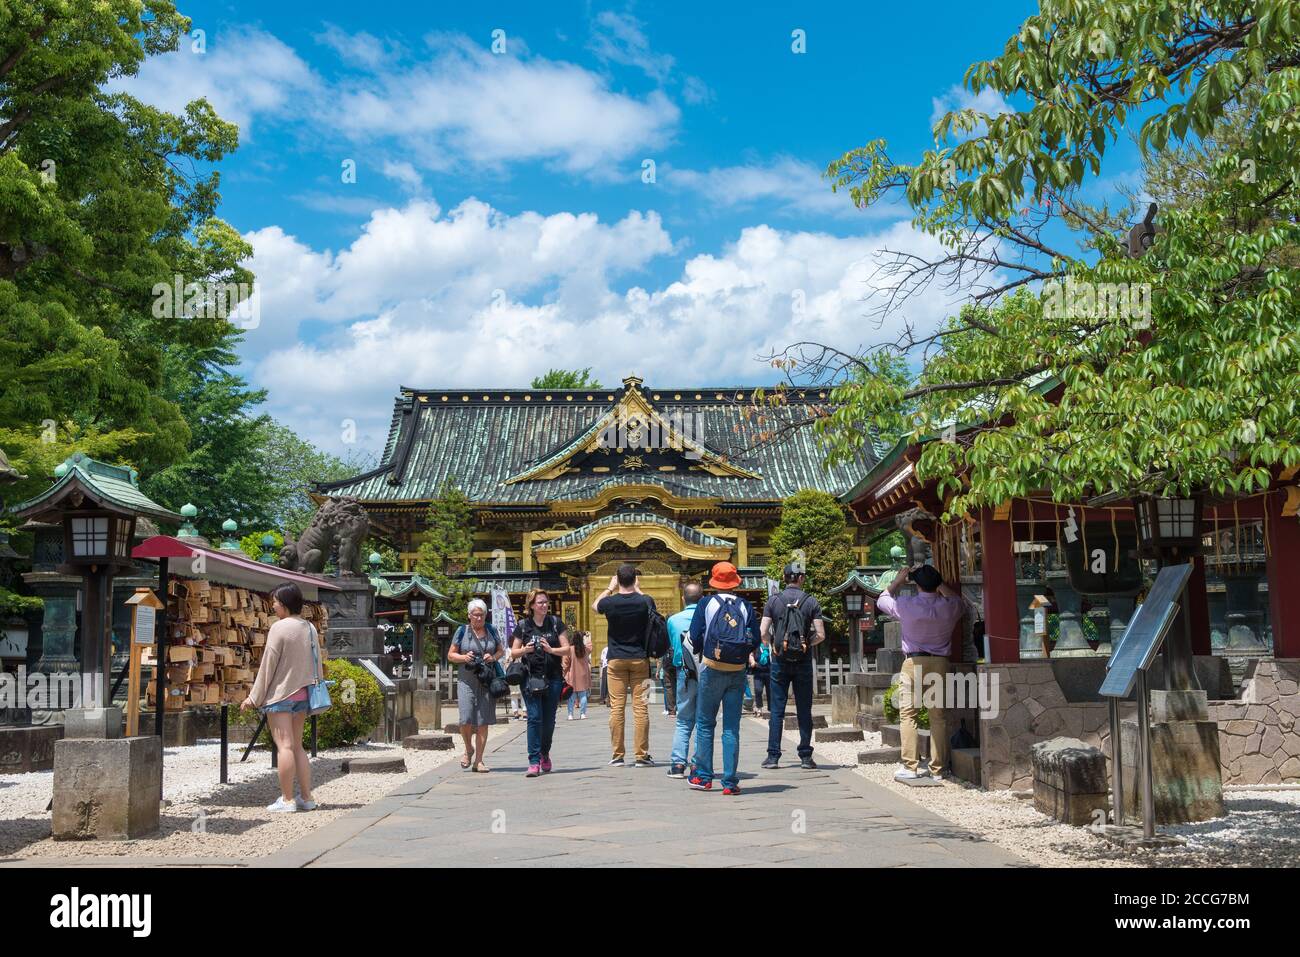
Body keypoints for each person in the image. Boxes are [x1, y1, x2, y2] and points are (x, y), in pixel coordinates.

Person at [875, 564, 968, 781]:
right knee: (939, 717)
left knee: (908, 714)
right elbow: (957, 600)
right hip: (940, 663)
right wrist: (938, 583)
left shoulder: (906, 605)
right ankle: (938, 769)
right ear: (937, 585)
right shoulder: (950, 607)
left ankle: (910, 766)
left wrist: (899, 579)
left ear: (916, 585)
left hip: (913, 662)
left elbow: (882, 599)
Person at [244, 583, 321, 812]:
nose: (274, 606)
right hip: (304, 694)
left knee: (284, 747)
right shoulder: (309, 628)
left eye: (276, 602)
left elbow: (268, 665)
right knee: (297, 746)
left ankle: (287, 800)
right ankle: (306, 798)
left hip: (280, 695)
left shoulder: (279, 628)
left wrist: (253, 697)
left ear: (285, 604)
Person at [688, 562, 760, 794]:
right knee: (731, 727)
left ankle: (704, 776)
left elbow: (695, 636)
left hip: (711, 667)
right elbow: (755, 639)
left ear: (714, 581)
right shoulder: (745, 606)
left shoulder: (705, 604)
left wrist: (703, 651)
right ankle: (729, 782)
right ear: (735, 582)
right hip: (737, 670)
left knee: (706, 723)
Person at [761, 563, 826, 770]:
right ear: (801, 578)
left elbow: (763, 631)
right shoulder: (811, 601)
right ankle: (806, 756)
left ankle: (773, 756)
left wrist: (774, 644)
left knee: (777, 710)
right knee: (804, 709)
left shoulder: (774, 600)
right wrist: (806, 644)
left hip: (780, 661)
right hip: (803, 662)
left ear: (784, 577)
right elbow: (821, 634)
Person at [593, 563, 655, 767]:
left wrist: (610, 588)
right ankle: (641, 755)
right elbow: (651, 608)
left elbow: (595, 606)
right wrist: (637, 589)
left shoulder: (610, 602)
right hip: (640, 660)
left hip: (616, 660)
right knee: (641, 708)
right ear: (635, 580)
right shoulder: (644, 600)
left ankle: (618, 755)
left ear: (618, 579)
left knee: (617, 709)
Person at [510, 589, 569, 777]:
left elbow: (567, 649)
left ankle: (545, 752)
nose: (544, 605)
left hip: (552, 677)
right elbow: (513, 652)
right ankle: (534, 760)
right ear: (532, 605)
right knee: (534, 718)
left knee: (549, 720)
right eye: (540, 602)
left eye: (545, 602)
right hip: (530, 677)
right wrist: (525, 650)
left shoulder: (555, 623)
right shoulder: (523, 626)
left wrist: (551, 650)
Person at [448, 598, 503, 773]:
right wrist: (464, 658)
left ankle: (478, 760)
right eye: (476, 615)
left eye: (482, 615)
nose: (479, 619)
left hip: (486, 680)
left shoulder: (491, 630)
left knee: (483, 721)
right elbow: (450, 655)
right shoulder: (462, 631)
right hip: (467, 680)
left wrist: (492, 657)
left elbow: (501, 650)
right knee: (465, 719)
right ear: (469, 615)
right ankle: (468, 748)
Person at [666, 581, 702, 779]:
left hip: (684, 672)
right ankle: (698, 765)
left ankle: (678, 764)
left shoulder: (673, 620)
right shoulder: (707, 617)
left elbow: (673, 645)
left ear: (683, 598)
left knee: (683, 720)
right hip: (706, 672)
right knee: (703, 721)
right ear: (702, 599)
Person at [564, 631, 592, 719]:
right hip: (583, 675)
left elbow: (565, 663)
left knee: (571, 697)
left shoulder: (569, 649)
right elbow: (590, 646)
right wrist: (588, 637)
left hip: (572, 675)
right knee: (583, 695)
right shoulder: (585, 649)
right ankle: (583, 714)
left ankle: (570, 714)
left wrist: (563, 672)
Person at [751, 637, 771, 714]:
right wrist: (752, 661)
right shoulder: (756, 645)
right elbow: (751, 654)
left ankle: (771, 709)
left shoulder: (770, 646)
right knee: (758, 690)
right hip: (758, 671)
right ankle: (759, 708)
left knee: (770, 691)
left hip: (769, 671)